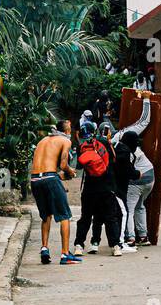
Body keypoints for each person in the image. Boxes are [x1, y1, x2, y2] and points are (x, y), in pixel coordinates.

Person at [73, 119, 129, 256]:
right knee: (111, 217)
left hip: (89, 188)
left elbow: (80, 167)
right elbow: (113, 159)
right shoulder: (104, 142)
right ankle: (115, 246)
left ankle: (79, 245)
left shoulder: (82, 147)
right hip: (106, 187)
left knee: (85, 218)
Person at [29, 126, 78, 265]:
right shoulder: (65, 141)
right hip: (50, 178)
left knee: (46, 215)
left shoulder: (43, 140)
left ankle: (44, 248)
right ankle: (65, 254)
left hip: (35, 180)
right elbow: (63, 165)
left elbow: (46, 167)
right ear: (68, 132)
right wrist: (71, 171)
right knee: (65, 216)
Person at [112, 97, 153, 246]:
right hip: (150, 174)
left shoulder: (115, 144)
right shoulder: (126, 134)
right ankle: (143, 236)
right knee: (139, 205)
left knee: (128, 208)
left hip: (137, 177)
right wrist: (147, 99)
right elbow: (144, 121)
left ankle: (130, 238)